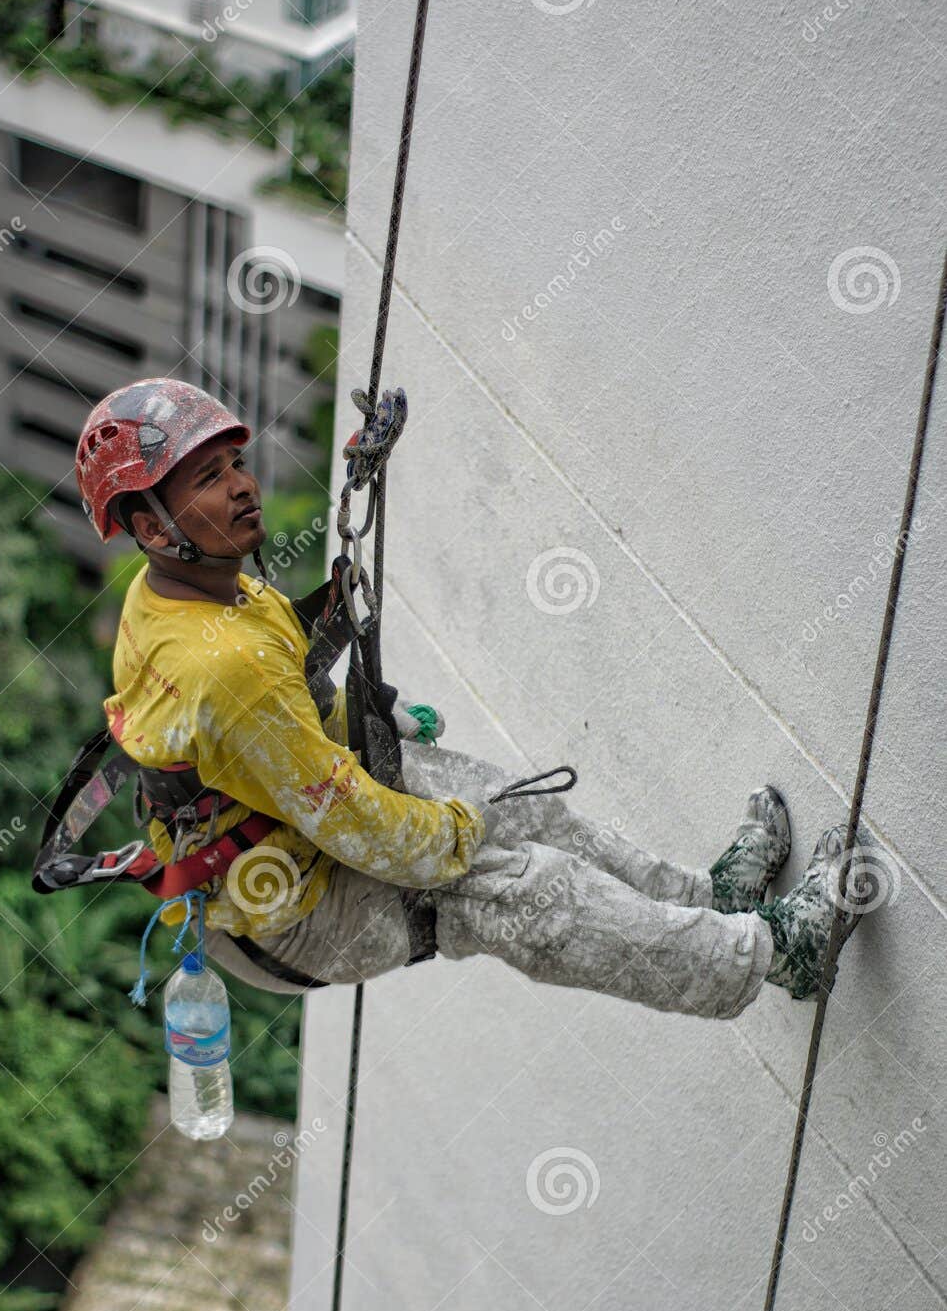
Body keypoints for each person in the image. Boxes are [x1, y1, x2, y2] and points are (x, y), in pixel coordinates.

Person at [76, 377, 873, 1021]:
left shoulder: (184, 592)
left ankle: (711, 904)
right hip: (292, 915)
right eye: (207, 481)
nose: (242, 489)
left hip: (275, 840)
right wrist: (458, 831)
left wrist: (368, 723)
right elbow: (355, 822)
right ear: (149, 526)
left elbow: (270, 723)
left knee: (510, 805)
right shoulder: (221, 660)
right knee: (525, 894)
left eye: (233, 465)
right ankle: (774, 957)